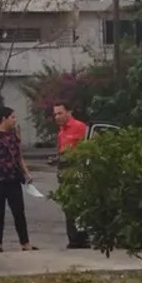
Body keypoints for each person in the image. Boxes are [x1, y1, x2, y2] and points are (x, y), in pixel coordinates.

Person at [0, 107, 37, 253]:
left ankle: (25, 243)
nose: (14, 120)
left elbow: (19, 157)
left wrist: (26, 172)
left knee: (18, 210)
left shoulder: (14, 135)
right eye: (12, 117)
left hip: (12, 177)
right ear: (4, 118)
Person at [53, 101, 90, 249]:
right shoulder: (61, 131)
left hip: (77, 170)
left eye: (60, 113)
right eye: (55, 114)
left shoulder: (80, 127)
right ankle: (73, 238)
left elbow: (91, 145)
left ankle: (83, 238)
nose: (57, 117)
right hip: (64, 172)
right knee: (68, 206)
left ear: (69, 112)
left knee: (79, 205)